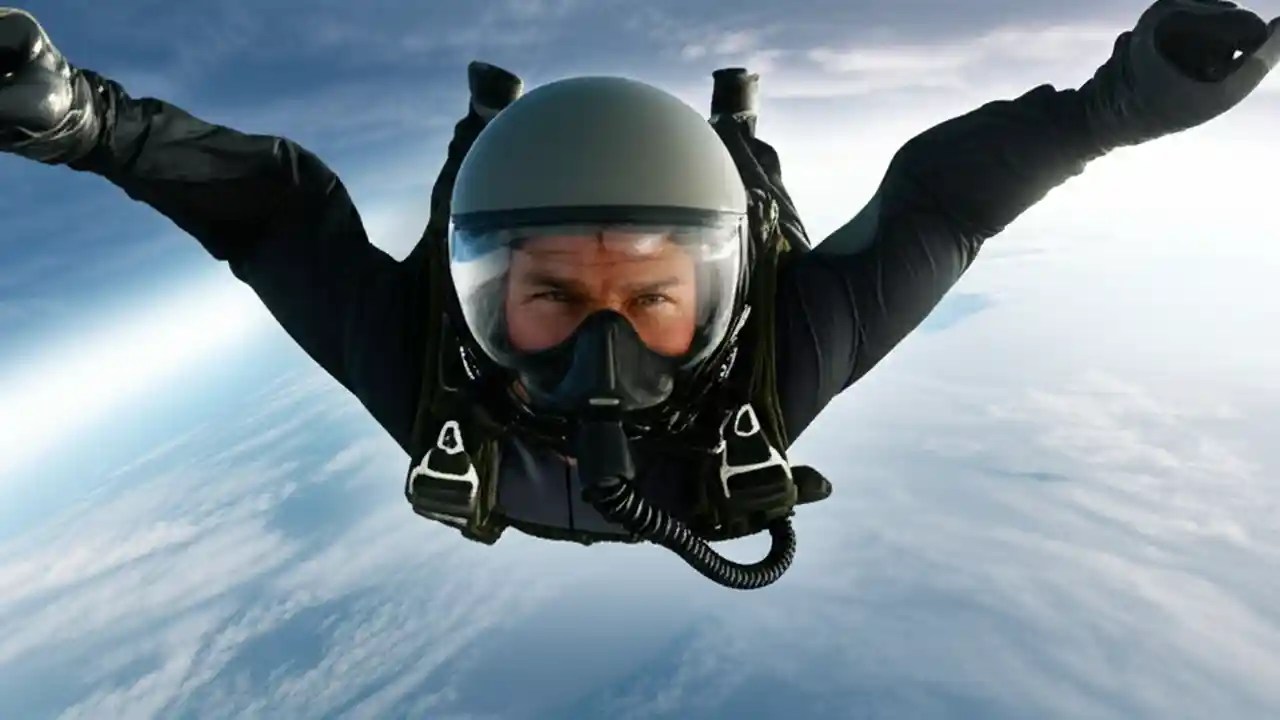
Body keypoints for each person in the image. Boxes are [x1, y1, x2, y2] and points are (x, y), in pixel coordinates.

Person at [1, 1, 1276, 589]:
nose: (602, 350)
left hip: (715, 238)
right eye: (550, 295)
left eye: (653, 297)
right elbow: (939, 206)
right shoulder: (774, 383)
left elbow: (278, 216)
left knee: (742, 186)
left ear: (726, 298)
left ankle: (698, 140)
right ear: (474, 300)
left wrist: (94, 127)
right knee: (669, 184)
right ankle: (592, 137)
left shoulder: (434, 388)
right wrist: (1111, 114)